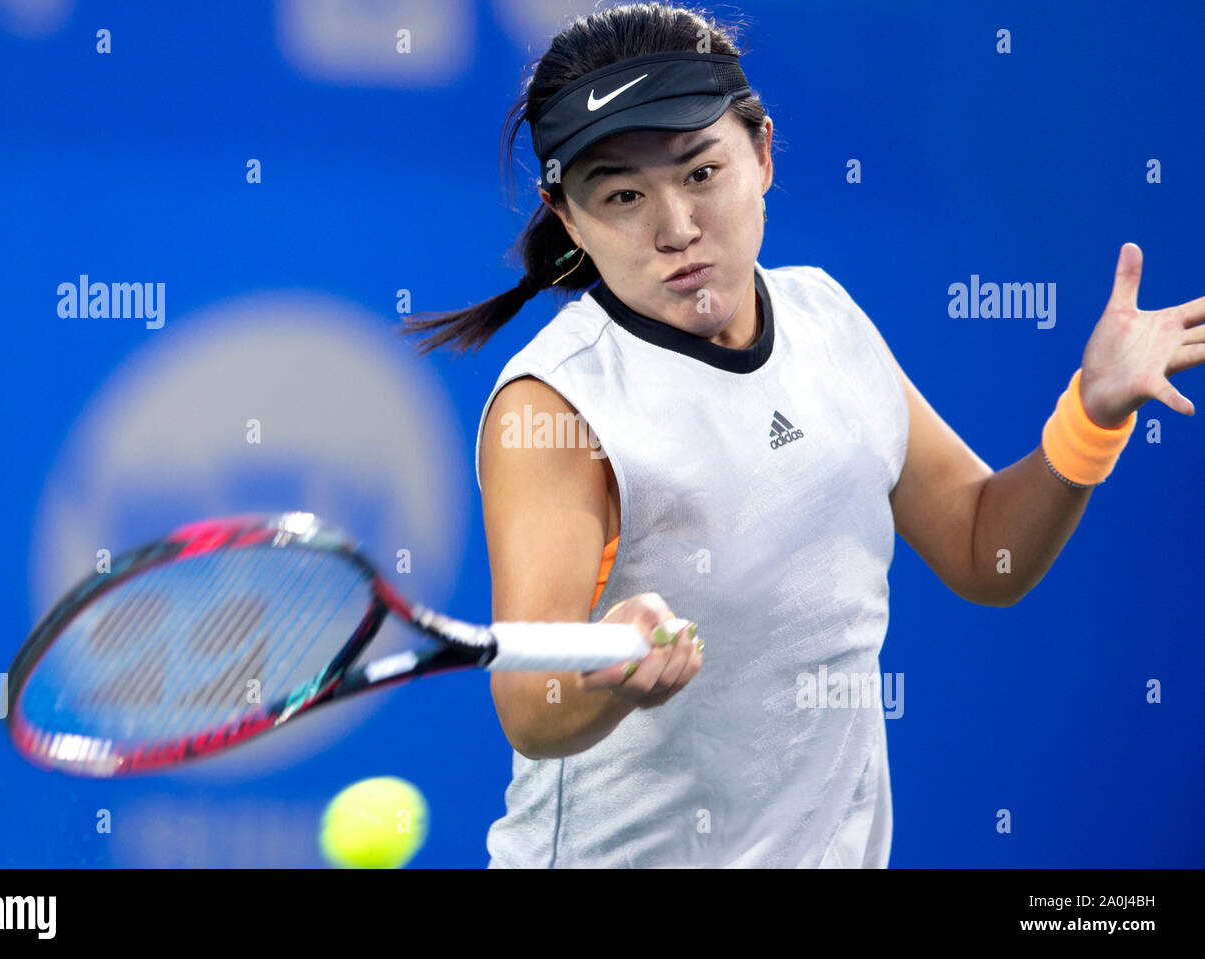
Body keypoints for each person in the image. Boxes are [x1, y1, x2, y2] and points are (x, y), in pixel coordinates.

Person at [403, 2, 1200, 868]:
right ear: (570, 220)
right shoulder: (557, 406)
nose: (675, 228)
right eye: (623, 195)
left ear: (763, 153)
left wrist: (1093, 411)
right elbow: (529, 700)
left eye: (701, 173)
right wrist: (609, 675)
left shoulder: (826, 317)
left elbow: (983, 550)